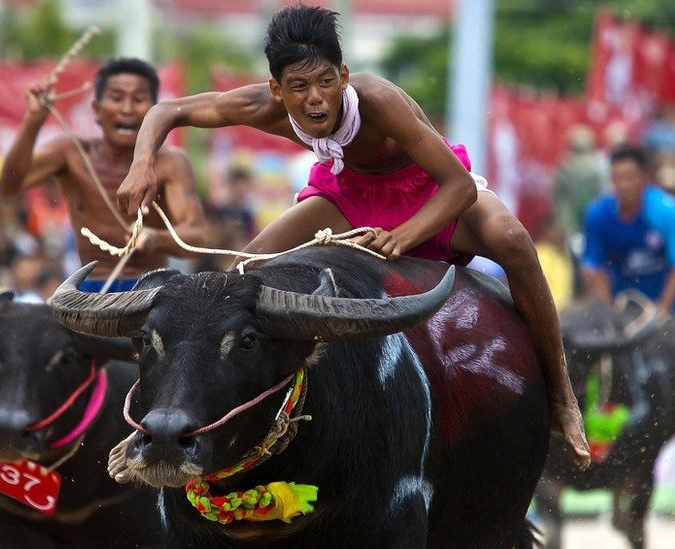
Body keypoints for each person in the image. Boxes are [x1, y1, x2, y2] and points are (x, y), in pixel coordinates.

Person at [116, 5, 590, 467]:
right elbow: (167, 110)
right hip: (347, 194)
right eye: (299, 87)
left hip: (426, 192)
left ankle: (563, 398)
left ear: (343, 77)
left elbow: (460, 186)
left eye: (325, 82)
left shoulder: (378, 100)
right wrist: (141, 167)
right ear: (276, 90)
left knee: (512, 240)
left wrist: (403, 236)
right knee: (247, 268)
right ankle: (203, 418)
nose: (316, 98)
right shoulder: (259, 107)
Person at [0, 58, 206, 292]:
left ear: (154, 113)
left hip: (151, 288)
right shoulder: (71, 153)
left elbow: (196, 237)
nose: (126, 109)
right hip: (90, 287)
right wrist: (33, 121)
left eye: (138, 99)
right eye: (117, 98)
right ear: (97, 109)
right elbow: (9, 185)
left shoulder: (171, 163)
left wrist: (155, 238)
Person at [582, 145, 675, 349]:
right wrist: (607, 310)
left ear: (644, 178)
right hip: (625, 298)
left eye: (629, 177)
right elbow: (592, 267)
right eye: (617, 178)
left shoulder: (666, 211)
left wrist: (663, 309)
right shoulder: (597, 214)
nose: (623, 185)